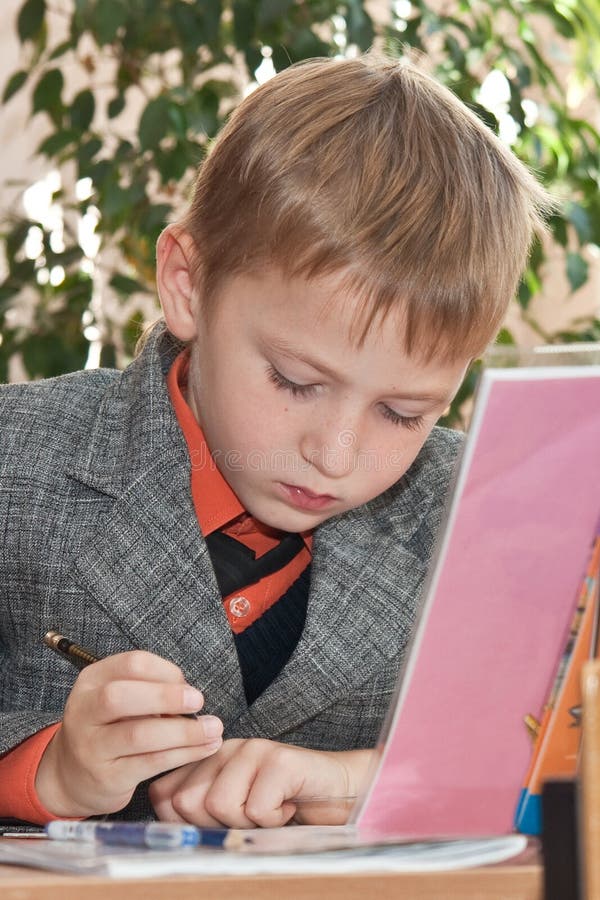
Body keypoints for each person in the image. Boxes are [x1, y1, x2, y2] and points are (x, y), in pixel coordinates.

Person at [0, 54, 550, 828]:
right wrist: (43, 774)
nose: (337, 454)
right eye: (294, 381)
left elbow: (557, 750)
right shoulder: (14, 460)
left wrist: (360, 781)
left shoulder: (482, 513)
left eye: (403, 412)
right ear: (189, 285)